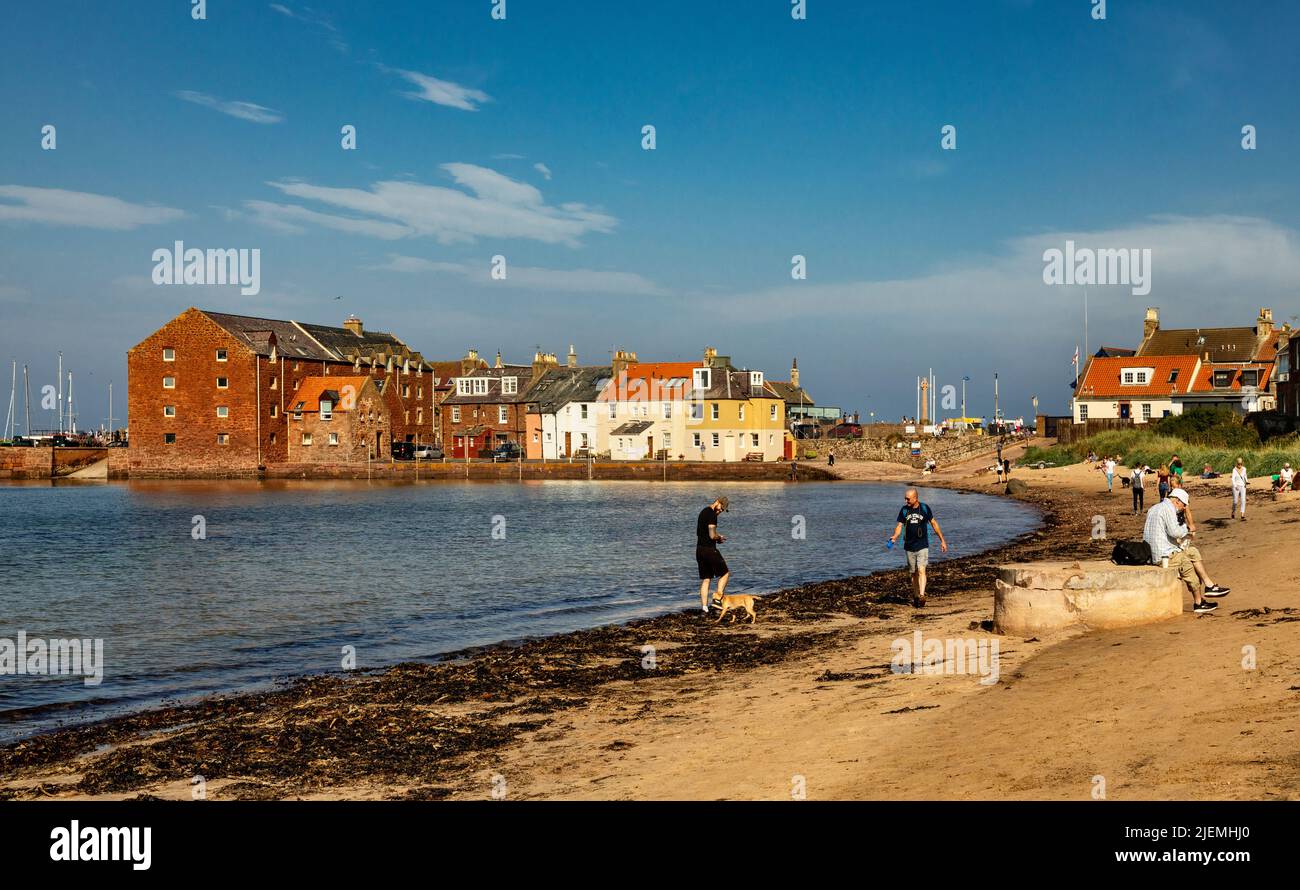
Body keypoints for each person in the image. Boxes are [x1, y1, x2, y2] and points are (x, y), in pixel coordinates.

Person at [1142, 488, 1230, 614]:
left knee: (1192, 551)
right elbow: (1174, 532)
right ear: (1177, 501)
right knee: (1187, 565)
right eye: (1184, 505)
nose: (1184, 508)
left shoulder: (1155, 507)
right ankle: (1198, 603)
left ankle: (1209, 585)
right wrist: (1187, 528)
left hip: (1155, 551)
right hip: (1163, 555)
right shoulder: (1168, 509)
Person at [889, 488, 948, 608]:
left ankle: (922, 595)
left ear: (915, 498)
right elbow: (899, 526)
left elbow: (934, 524)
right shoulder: (904, 510)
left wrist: (942, 540)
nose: (906, 501)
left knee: (921, 570)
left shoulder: (925, 508)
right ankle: (916, 596)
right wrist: (894, 537)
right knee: (913, 573)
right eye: (905, 498)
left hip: (922, 545)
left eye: (908, 499)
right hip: (909, 546)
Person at [695, 496, 731, 613]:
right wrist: (718, 538)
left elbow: (704, 532)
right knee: (725, 573)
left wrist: (716, 537)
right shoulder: (712, 515)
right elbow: (711, 535)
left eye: (722, 510)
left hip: (699, 550)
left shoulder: (703, 512)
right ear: (717, 502)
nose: (720, 511)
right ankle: (717, 600)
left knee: (706, 579)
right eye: (721, 508)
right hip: (709, 550)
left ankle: (704, 608)